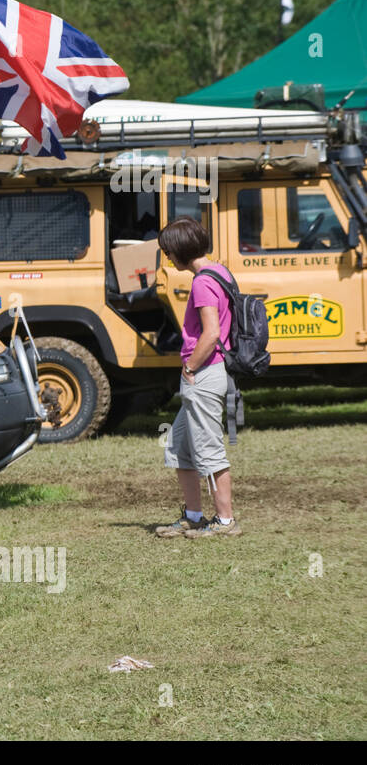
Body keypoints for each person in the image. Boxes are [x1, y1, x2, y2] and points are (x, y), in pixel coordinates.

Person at [154, 217, 240, 539]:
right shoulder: (221, 271)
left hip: (203, 374)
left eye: (168, 252)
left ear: (179, 250)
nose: (167, 258)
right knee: (178, 446)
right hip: (210, 372)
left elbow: (212, 333)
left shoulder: (203, 282)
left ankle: (225, 522)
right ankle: (193, 516)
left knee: (208, 450)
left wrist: (189, 367)